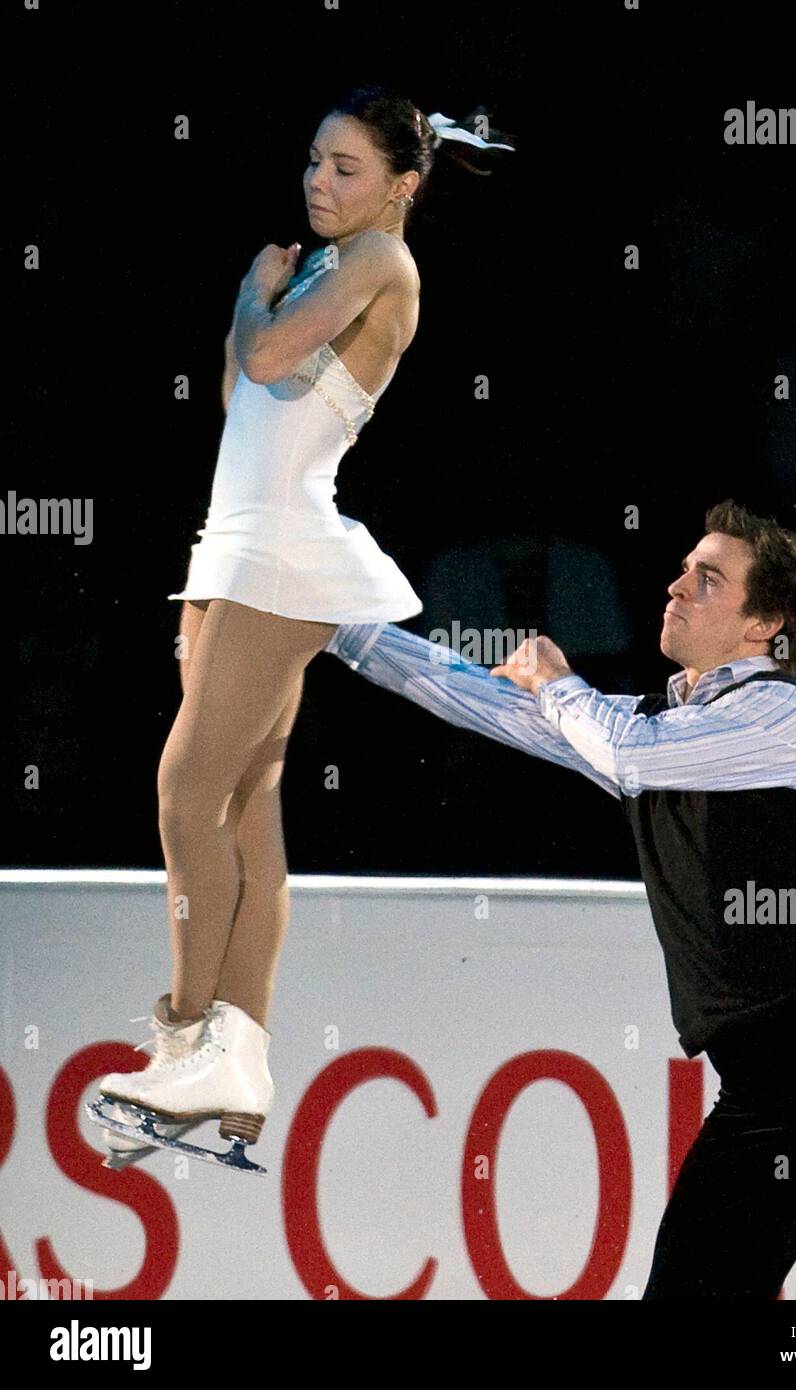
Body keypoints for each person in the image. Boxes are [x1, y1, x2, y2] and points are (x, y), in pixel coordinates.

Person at [321, 499, 796, 1295]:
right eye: (684, 570)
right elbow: (486, 705)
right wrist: (334, 629)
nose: (673, 586)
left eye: (706, 579)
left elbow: (625, 755)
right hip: (766, 1082)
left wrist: (559, 682)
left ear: (763, 624)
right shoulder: (662, 725)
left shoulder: (778, 713)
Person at [88, 86, 515, 1172]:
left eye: (345, 169)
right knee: (246, 811)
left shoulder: (384, 262)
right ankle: (241, 1062)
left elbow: (267, 360)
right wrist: (258, 307)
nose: (320, 183)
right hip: (238, 539)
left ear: (401, 186)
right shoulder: (332, 265)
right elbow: (244, 399)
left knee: (187, 791)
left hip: (278, 548)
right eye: (315, 162)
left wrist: (246, 296)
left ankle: (190, 1035)